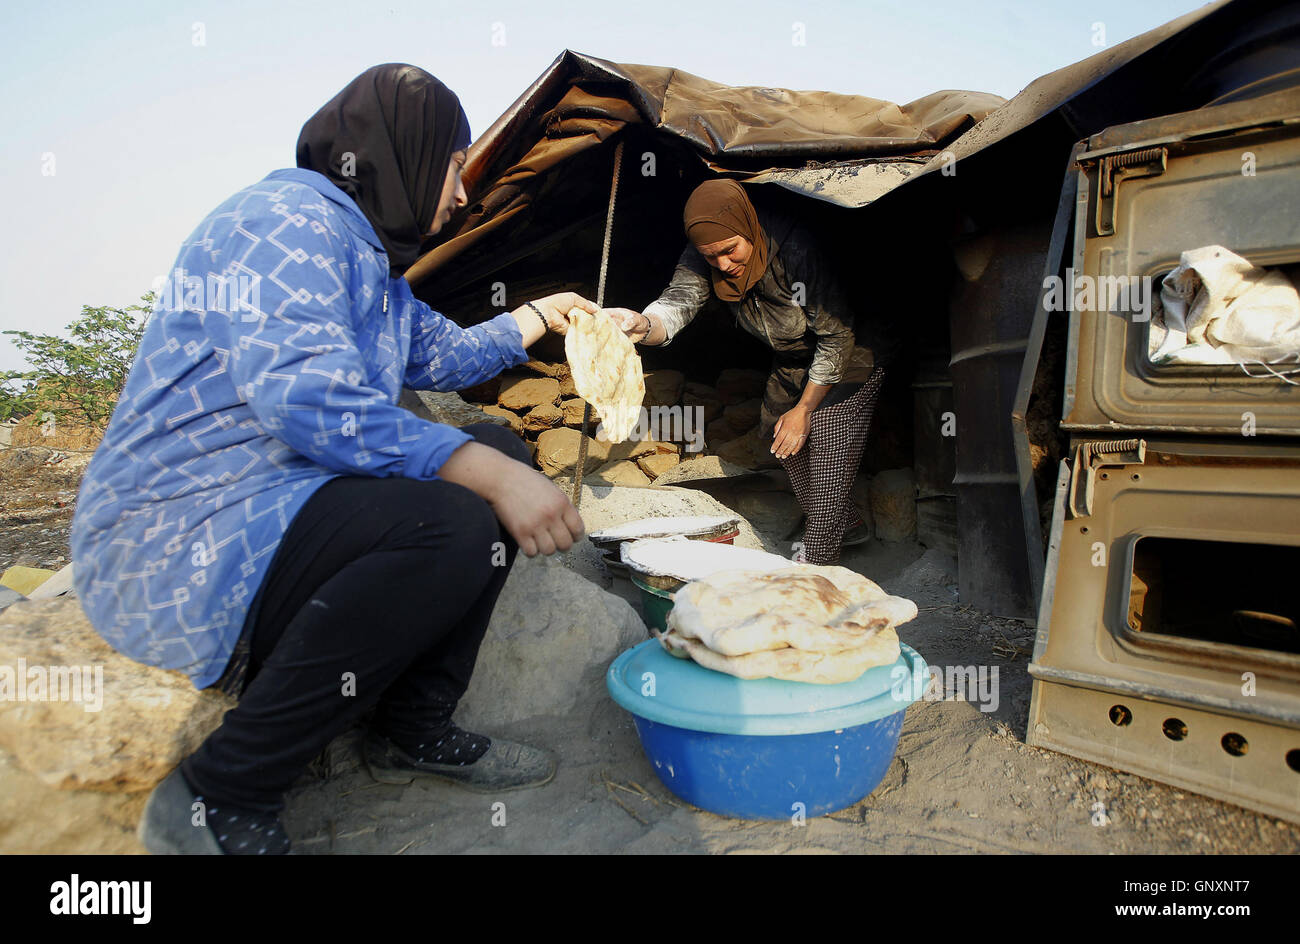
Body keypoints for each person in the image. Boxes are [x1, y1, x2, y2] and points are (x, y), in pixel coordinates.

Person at [68, 64, 595, 855]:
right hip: (186, 527)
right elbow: (305, 397)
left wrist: (544, 314)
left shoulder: (372, 264)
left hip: (277, 501)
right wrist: (487, 476)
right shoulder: (283, 223)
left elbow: (446, 358)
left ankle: (411, 727)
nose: (459, 195)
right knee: (453, 515)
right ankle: (222, 792)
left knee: (490, 444)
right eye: (455, 166)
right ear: (405, 153)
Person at [610, 179, 890, 565]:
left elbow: (835, 336)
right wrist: (643, 323)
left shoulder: (795, 248)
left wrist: (805, 410)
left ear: (748, 226)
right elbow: (679, 303)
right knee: (782, 435)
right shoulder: (703, 254)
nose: (723, 264)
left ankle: (817, 559)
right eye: (712, 258)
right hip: (793, 358)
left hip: (851, 349)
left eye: (729, 250)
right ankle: (845, 523)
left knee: (824, 428)